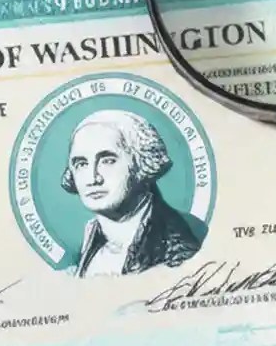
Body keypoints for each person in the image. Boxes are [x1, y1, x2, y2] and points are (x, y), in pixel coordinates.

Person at [61, 110, 202, 277]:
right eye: (81, 163)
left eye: (108, 161)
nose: (93, 179)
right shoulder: (89, 240)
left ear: (143, 163)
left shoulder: (177, 251)